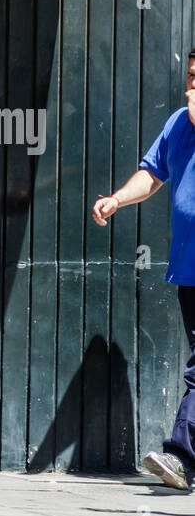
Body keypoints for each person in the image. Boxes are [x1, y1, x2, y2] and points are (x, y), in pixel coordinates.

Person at [93, 47, 195, 490]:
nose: (192, 85)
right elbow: (152, 175)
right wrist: (117, 199)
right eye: (190, 76)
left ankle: (181, 454)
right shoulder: (177, 124)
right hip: (189, 271)